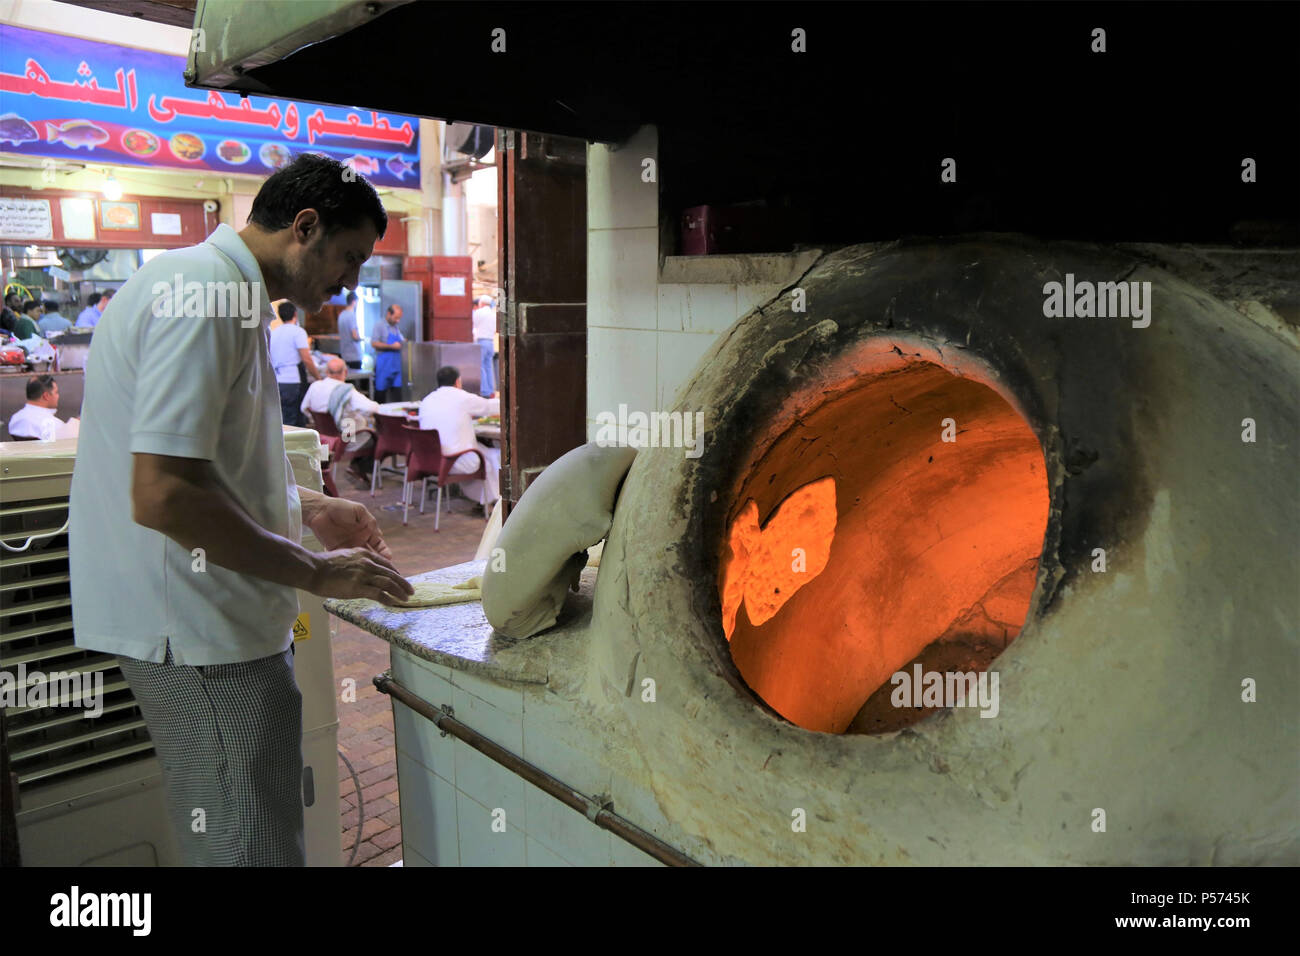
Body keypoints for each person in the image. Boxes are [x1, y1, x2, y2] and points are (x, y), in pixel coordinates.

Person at [68, 153, 414, 867]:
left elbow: (208, 465)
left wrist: (311, 505)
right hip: (198, 630)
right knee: (248, 847)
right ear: (305, 226)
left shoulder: (222, 291)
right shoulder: (203, 293)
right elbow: (162, 493)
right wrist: (316, 573)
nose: (349, 285)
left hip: (213, 620)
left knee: (248, 832)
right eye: (347, 259)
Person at [418, 364, 501, 512]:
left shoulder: (426, 401)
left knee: (486, 454)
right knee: (495, 456)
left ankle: (486, 502)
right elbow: (488, 407)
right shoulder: (462, 397)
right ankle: (491, 503)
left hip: (430, 460)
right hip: (456, 461)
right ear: (458, 381)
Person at [301, 356, 379, 480]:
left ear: (326, 372)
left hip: (322, 438)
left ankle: (326, 472)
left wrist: (317, 421)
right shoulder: (347, 391)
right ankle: (358, 465)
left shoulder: (315, 386)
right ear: (345, 372)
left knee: (354, 422)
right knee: (375, 435)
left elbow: (304, 408)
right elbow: (372, 408)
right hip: (345, 439)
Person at [269, 300, 321, 426]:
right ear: (295, 314)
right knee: (294, 423)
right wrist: (318, 377)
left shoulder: (274, 332)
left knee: (282, 420)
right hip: (292, 382)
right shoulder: (298, 332)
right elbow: (306, 358)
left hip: (277, 381)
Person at [7, 374, 79, 440]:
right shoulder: (53, 424)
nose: (58, 396)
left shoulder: (15, 418)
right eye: (56, 392)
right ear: (46, 396)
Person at [370, 303, 404, 403]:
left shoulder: (396, 327)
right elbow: (374, 343)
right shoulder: (379, 325)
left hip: (396, 365)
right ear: (389, 314)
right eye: (396, 317)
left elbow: (401, 339)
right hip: (384, 365)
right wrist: (391, 346)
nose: (398, 320)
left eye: (399, 318)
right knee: (380, 394)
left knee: (398, 395)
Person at [472, 295, 497, 397]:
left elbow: (473, 325)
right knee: (488, 366)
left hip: (481, 341)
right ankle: (491, 390)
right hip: (490, 342)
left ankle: (484, 391)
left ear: (481, 303)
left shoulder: (478, 312)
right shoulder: (493, 314)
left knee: (480, 366)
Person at [336, 291, 362, 369]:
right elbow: (354, 336)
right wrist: (362, 339)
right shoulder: (351, 315)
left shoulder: (341, 315)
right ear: (354, 302)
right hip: (354, 355)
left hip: (344, 354)